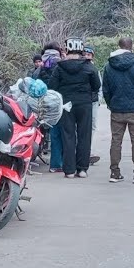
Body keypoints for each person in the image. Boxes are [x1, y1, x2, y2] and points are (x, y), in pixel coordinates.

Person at [102, 37, 134, 184]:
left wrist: (111, 103)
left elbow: (105, 89)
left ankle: (114, 172)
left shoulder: (109, 66)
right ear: (132, 47)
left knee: (116, 141)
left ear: (118, 46)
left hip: (117, 108)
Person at [48, 38, 100, 178]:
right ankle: (82, 169)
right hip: (85, 104)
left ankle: (69, 170)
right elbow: (97, 85)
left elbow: (51, 86)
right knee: (84, 135)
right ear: (81, 50)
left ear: (67, 50)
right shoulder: (89, 66)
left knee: (68, 135)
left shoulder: (60, 67)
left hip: (66, 105)